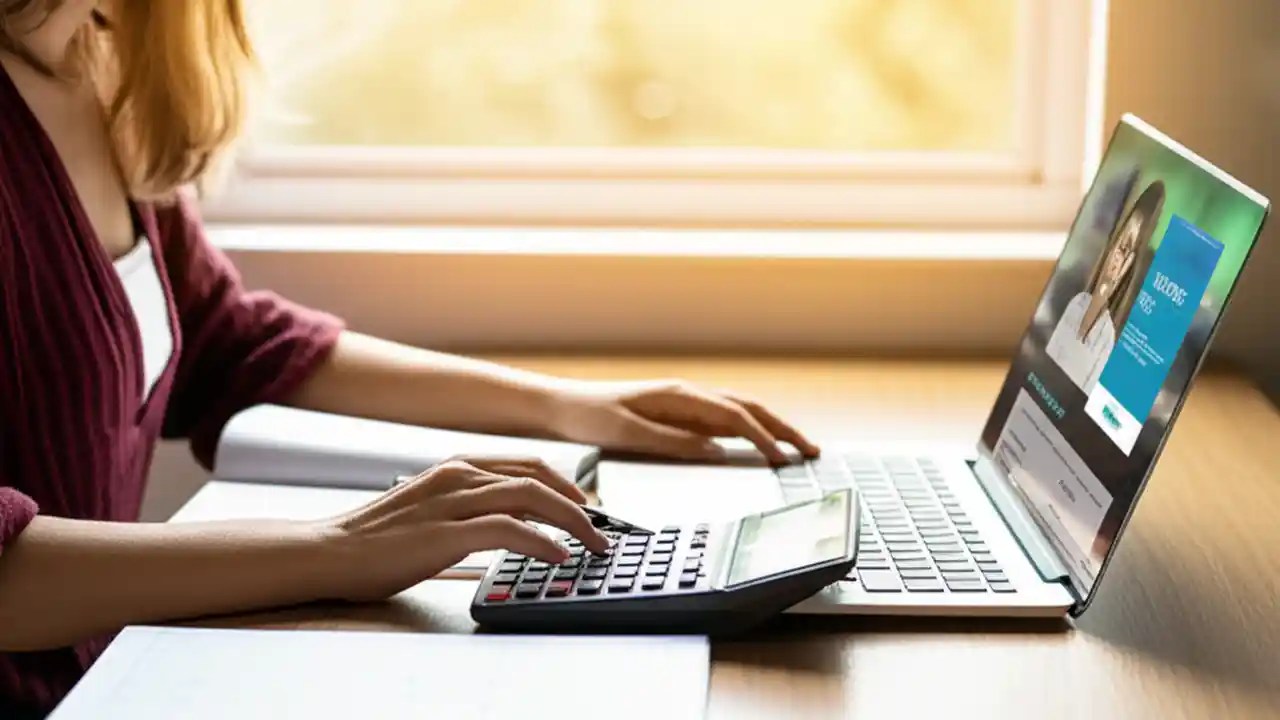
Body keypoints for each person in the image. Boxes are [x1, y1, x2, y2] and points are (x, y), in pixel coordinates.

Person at [0, 2, 821, 716]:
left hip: (99, 682)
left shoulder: (95, 59)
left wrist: (571, 407)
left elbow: (224, 338)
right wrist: (337, 547)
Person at [1046, 181, 1166, 393]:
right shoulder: (1076, 302)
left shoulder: (1107, 336)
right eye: (1120, 246)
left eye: (1128, 251)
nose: (1119, 258)